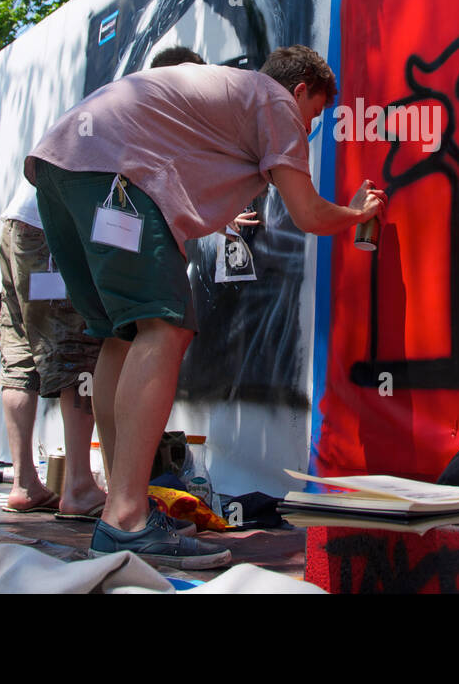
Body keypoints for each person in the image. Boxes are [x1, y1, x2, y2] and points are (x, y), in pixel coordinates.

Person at [25, 45, 385, 568]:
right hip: (114, 176)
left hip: (61, 169)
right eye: (315, 114)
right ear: (301, 89)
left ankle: (123, 503)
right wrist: (356, 213)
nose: (308, 128)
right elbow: (306, 213)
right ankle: (125, 518)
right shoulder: (276, 100)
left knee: (119, 338)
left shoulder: (229, 97)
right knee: (164, 327)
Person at [0, 178, 108, 519]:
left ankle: (25, 483)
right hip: (50, 229)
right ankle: (78, 487)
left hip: (18, 222)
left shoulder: (72, 125)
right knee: (78, 354)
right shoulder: (122, 125)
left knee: (20, 353)